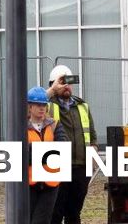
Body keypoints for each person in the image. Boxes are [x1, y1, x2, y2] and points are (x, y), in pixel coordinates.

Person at [46, 65, 96, 224]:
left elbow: (92, 134)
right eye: (62, 82)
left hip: (81, 167)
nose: (66, 85)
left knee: (74, 213)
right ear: (53, 84)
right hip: (58, 167)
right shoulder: (46, 105)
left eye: (69, 81)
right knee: (56, 212)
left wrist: (93, 151)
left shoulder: (82, 106)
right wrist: (51, 92)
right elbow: (26, 106)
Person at [27, 86, 67, 224]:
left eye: (44, 104)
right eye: (38, 105)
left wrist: (34, 152)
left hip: (51, 184)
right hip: (29, 184)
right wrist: (48, 153)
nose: (42, 108)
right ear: (30, 107)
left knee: (40, 221)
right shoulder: (20, 127)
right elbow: (20, 154)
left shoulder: (55, 125)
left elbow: (62, 151)